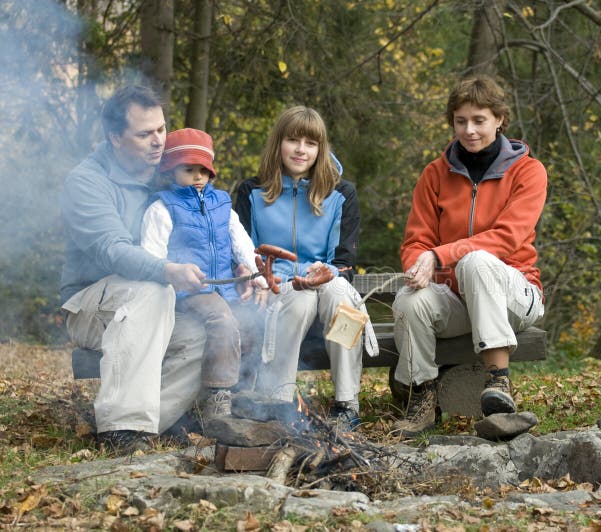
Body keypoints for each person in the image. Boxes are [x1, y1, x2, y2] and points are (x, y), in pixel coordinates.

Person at [391, 76, 547, 436]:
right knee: (409, 300)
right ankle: (422, 398)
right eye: (461, 121)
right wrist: (419, 266)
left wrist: (439, 255)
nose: (470, 130)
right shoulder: (435, 174)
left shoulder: (527, 171)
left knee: (474, 261)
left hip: (516, 296)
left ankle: (498, 382)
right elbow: (416, 241)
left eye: (479, 120)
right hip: (459, 299)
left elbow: (507, 239)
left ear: (499, 119)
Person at [60, 86, 209, 455]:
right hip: (91, 303)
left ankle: (152, 423)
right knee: (151, 290)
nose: (158, 140)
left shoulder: (169, 173)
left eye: (160, 129)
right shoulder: (86, 181)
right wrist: (169, 270)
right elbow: (112, 250)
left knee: (201, 335)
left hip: (156, 301)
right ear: (115, 137)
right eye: (145, 133)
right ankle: (122, 427)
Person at [234, 105, 377, 429]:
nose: (301, 150)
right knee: (299, 298)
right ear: (278, 143)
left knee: (343, 294)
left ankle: (346, 402)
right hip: (276, 288)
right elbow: (244, 253)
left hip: (327, 284)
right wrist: (260, 277)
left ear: (320, 148)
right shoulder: (251, 192)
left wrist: (323, 275)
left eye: (310, 143)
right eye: (293, 140)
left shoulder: (341, 194)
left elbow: (343, 263)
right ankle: (277, 400)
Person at [140, 128, 268, 420]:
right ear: (172, 170)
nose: (197, 176)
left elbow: (242, 244)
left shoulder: (222, 204)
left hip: (225, 286)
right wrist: (169, 276)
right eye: (188, 169)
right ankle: (217, 396)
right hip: (191, 290)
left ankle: (244, 391)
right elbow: (151, 254)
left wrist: (258, 277)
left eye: (203, 170)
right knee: (221, 321)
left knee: (250, 321)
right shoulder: (163, 207)